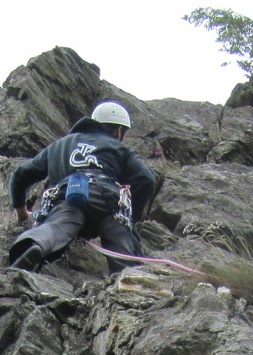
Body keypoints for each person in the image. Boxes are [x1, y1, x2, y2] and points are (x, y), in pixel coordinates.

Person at [8, 101, 158, 275]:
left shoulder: (59, 145)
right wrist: (132, 217)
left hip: (69, 196)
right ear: (118, 131)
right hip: (107, 198)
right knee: (119, 235)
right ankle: (129, 277)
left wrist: (22, 213)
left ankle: (34, 246)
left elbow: (20, 175)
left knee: (57, 227)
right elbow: (146, 179)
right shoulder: (120, 148)